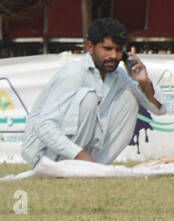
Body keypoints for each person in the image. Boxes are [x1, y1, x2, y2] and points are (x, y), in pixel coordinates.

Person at [22, 18, 164, 166]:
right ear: (90, 47)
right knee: (89, 98)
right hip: (44, 155)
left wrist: (144, 82)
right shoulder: (74, 73)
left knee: (129, 98)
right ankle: (77, 164)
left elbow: (159, 109)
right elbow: (44, 125)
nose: (114, 56)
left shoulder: (119, 75)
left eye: (118, 50)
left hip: (84, 158)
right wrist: (80, 155)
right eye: (107, 49)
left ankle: (94, 167)